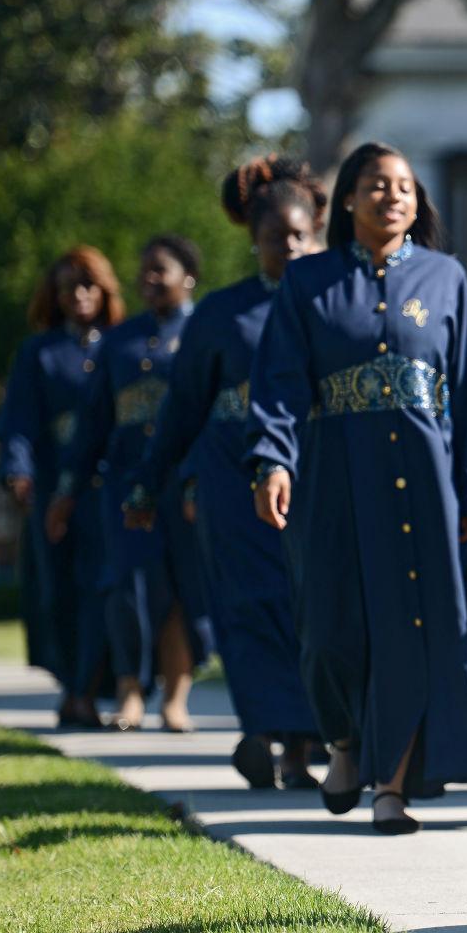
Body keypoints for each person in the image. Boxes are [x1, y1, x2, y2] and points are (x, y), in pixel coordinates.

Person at [245, 141, 467, 835]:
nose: (392, 197)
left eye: (404, 187)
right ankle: (344, 740)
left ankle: (392, 788)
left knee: (411, 628)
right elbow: (280, 386)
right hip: (333, 479)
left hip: (423, 485)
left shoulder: (445, 279)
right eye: (377, 186)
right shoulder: (307, 283)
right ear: (347, 199)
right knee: (330, 632)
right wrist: (273, 462)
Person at [124, 157, 326, 789]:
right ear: (253, 240)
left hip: (314, 475)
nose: (289, 247)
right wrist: (150, 481)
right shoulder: (222, 313)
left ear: (315, 231)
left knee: (308, 606)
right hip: (231, 478)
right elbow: (184, 406)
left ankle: (300, 744)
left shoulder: (333, 299)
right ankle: (265, 730)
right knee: (247, 607)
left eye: (300, 236)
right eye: (276, 238)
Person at [48, 236, 213, 733]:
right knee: (128, 587)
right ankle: (130, 692)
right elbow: (93, 423)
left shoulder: (206, 330)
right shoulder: (120, 340)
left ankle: (176, 698)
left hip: (186, 484)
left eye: (159, 269)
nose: (148, 279)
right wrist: (68, 487)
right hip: (126, 486)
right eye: (142, 270)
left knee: (185, 590)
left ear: (187, 275)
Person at [0, 247, 125, 726]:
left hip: (106, 488)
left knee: (101, 588)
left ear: (105, 290)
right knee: (57, 592)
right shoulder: (40, 351)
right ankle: (71, 685)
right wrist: (19, 471)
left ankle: (87, 691)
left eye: (88, 284)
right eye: (69, 286)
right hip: (53, 488)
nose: (79, 295)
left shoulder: (120, 345)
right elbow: (19, 422)